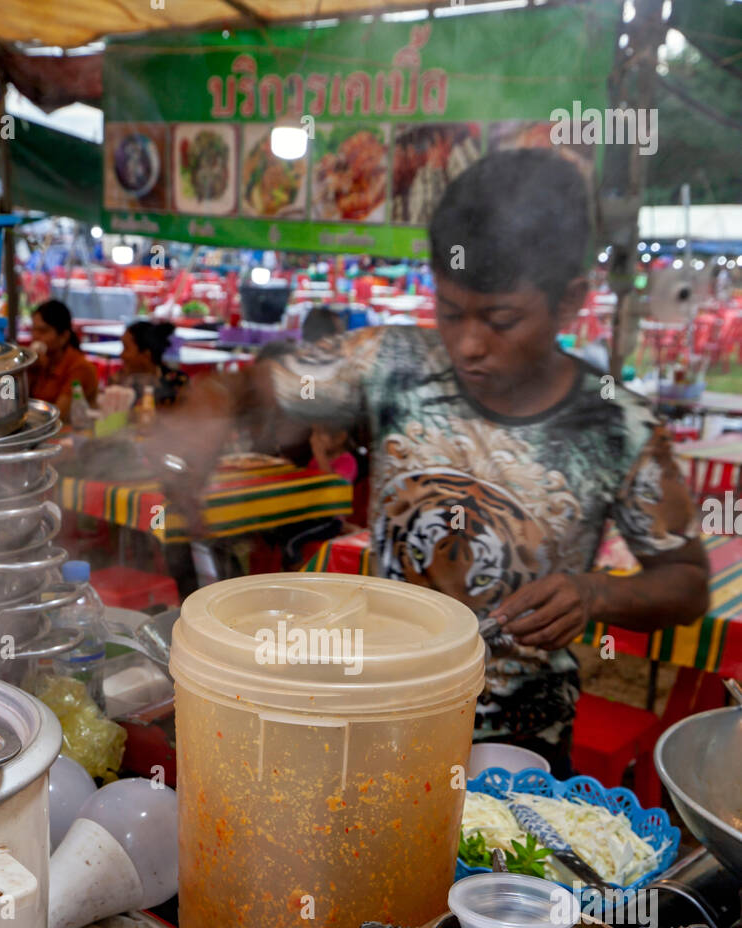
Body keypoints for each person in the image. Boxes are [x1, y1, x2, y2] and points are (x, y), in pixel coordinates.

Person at [161, 150, 709, 772]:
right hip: (374, 707)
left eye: (501, 319)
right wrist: (201, 423)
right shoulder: (390, 362)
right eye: (451, 312)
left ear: (569, 302)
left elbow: (686, 581)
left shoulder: (618, 425)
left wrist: (594, 593)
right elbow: (255, 387)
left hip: (517, 738)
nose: (469, 345)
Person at [28, 300, 98, 423]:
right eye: (33, 330)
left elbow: (58, 416)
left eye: (43, 331)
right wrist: (29, 370)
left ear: (63, 336)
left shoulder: (79, 368)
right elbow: (14, 402)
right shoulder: (38, 363)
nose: (35, 336)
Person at [120, 320, 188, 408]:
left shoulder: (177, 382)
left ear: (146, 355)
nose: (122, 355)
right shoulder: (120, 382)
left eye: (126, 348)